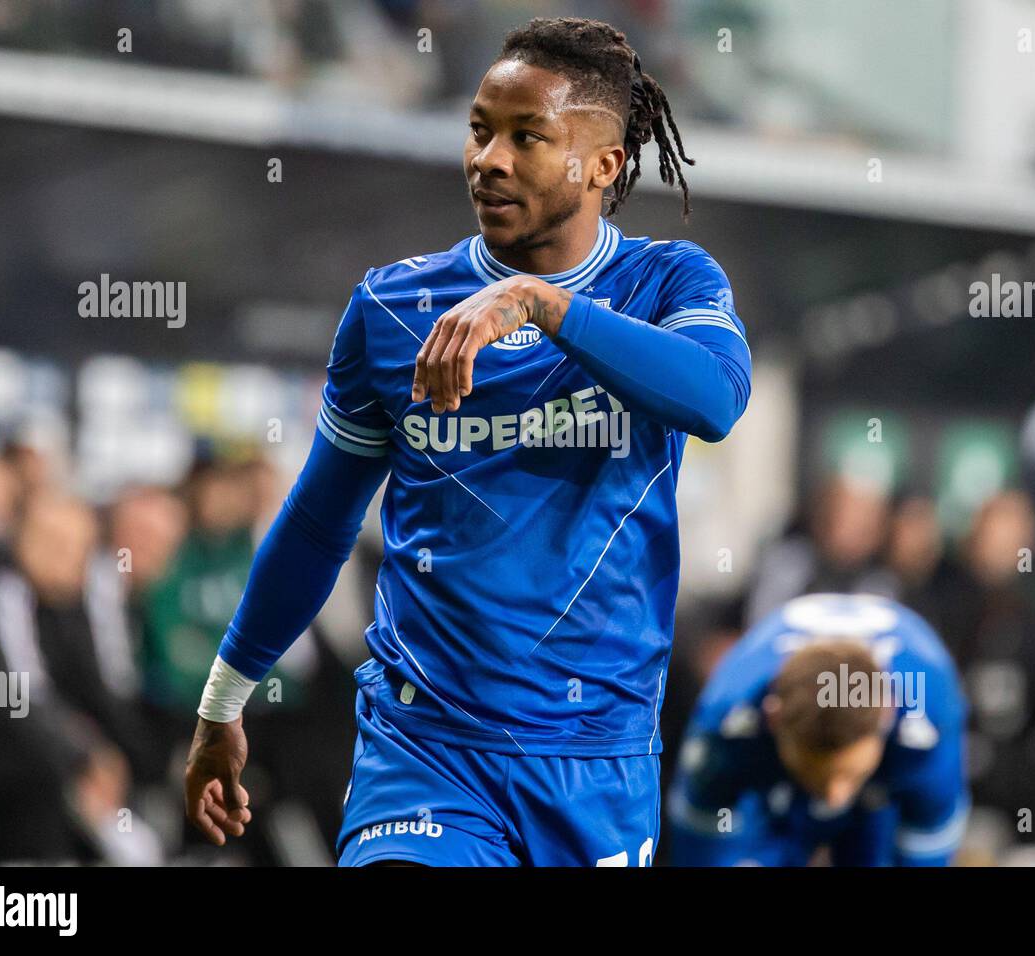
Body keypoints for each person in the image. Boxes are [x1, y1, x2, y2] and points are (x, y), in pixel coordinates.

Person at [184, 16, 752, 867]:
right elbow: (317, 522)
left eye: (528, 137)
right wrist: (223, 700)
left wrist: (543, 305)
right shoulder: (390, 309)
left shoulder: (667, 282)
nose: (489, 158)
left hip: (595, 761)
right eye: (480, 130)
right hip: (425, 751)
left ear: (604, 165)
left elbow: (714, 399)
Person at [668, 593, 967, 866]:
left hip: (880, 792)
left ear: (887, 716)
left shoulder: (926, 718)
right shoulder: (729, 720)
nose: (834, 796)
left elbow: (926, 845)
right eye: (816, 771)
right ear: (773, 720)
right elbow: (700, 845)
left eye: (849, 773)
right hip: (773, 790)